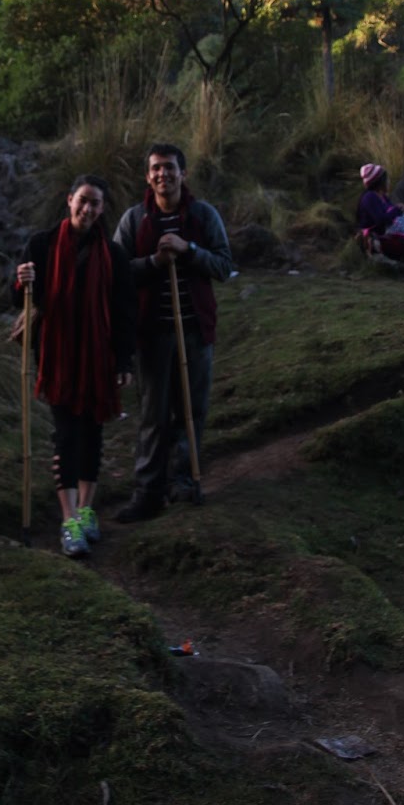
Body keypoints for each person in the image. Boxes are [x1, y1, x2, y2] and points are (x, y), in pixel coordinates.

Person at [14, 174, 135, 557]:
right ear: (69, 200)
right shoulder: (42, 244)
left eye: (95, 204)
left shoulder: (114, 255)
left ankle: (86, 512)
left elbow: (123, 311)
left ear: (102, 210)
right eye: (83, 200)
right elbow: (19, 300)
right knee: (66, 436)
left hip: (99, 358)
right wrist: (23, 282)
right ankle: (69, 520)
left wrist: (123, 359)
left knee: (92, 435)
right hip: (60, 358)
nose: (88, 209)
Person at [112, 143, 232, 522]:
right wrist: (155, 262)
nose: (163, 174)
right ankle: (148, 491)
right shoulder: (135, 220)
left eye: (170, 168)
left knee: (191, 410)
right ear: (148, 177)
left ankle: (184, 481)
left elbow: (225, 266)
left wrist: (189, 249)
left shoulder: (202, 215)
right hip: (151, 332)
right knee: (153, 413)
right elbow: (117, 272)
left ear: (183, 174)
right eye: (156, 169)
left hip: (195, 330)